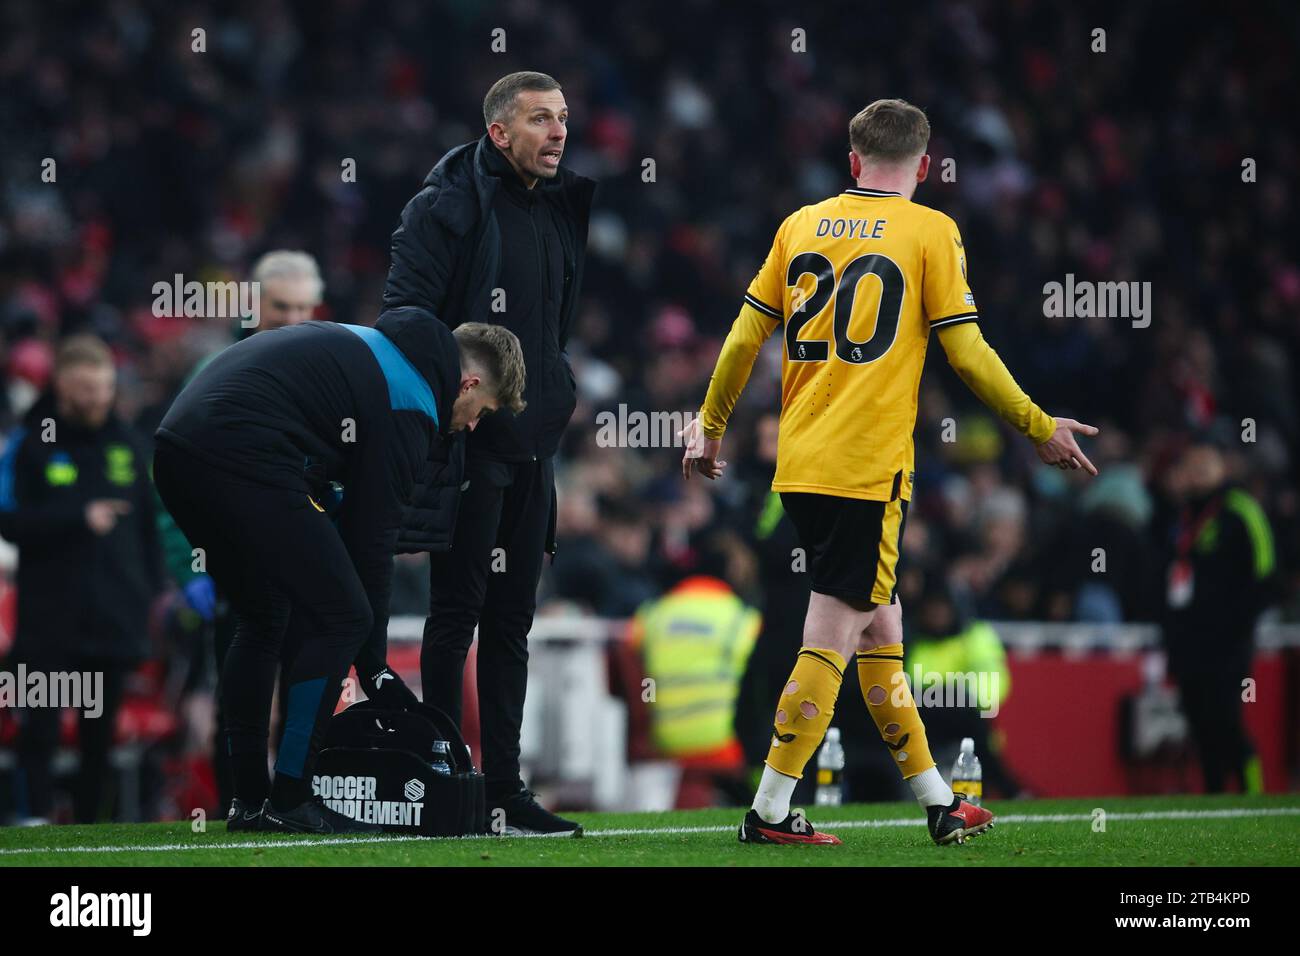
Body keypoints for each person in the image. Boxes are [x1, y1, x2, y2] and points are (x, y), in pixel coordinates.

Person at [683, 98, 1098, 846]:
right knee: (831, 638)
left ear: (852, 162)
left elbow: (746, 334)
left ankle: (939, 802)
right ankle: (770, 810)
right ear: (927, 165)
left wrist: (709, 428)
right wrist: (1038, 426)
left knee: (881, 633)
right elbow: (966, 352)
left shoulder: (800, 224)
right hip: (864, 472)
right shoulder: (930, 230)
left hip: (801, 465)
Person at [153, 310, 524, 833]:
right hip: (239, 454)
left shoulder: (375, 349)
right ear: (469, 383)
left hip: (178, 452)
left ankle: (249, 800)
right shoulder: (413, 401)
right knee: (344, 616)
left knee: (263, 615)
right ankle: (290, 797)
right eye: (481, 410)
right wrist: (371, 661)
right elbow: (372, 544)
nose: (471, 425)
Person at [383, 71, 595, 834]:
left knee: (512, 623)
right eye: (541, 119)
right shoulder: (446, 205)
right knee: (456, 615)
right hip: (472, 446)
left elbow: (550, 328)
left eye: (564, 118)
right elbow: (402, 315)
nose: (560, 133)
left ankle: (503, 788)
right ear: (500, 133)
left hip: (534, 448)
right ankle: (443, 778)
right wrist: (458, 393)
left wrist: (555, 389)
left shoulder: (560, 206)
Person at [153, 250, 325, 813]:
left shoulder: (329, 367)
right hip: (234, 560)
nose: (294, 316)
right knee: (240, 694)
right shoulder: (218, 372)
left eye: (304, 305)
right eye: (282, 306)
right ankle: (240, 803)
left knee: (307, 682)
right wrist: (190, 565)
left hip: (304, 557)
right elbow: (171, 475)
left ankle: (299, 801)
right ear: (255, 305)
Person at [0, 336, 163, 823]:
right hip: (49, 623)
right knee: (41, 731)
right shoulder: (32, 443)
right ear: (62, 387)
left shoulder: (130, 445)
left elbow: (150, 530)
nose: (96, 398)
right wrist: (78, 517)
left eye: (104, 388)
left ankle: (91, 831)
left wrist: (151, 595)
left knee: (100, 734)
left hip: (113, 620)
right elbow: (8, 520)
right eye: (86, 389)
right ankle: (33, 824)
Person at [1160, 438, 1275, 793]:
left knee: (1226, 719)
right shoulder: (1182, 516)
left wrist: (1241, 629)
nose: (1197, 474)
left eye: (1205, 466)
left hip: (1229, 642)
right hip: (1191, 643)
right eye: (1191, 468)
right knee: (1199, 723)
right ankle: (1214, 797)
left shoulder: (1241, 511)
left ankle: (1252, 791)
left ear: (1222, 468)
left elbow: (1265, 573)